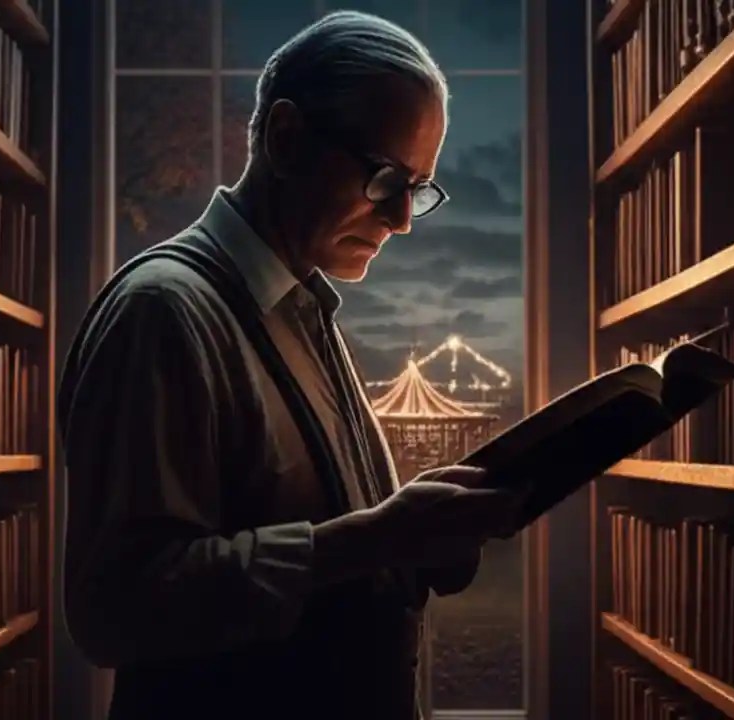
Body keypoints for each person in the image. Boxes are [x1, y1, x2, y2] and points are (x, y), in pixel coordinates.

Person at [58, 10, 526, 719]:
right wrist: (377, 538)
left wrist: (412, 549)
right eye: (383, 178)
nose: (401, 219)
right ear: (285, 138)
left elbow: (318, 548)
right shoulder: (163, 313)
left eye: (419, 188)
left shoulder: (297, 306)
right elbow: (116, 606)